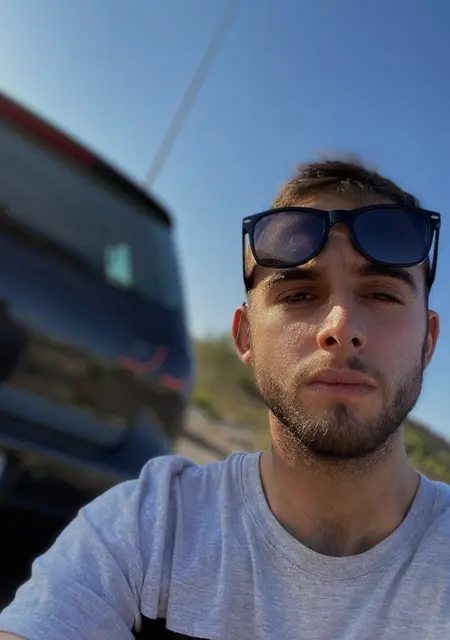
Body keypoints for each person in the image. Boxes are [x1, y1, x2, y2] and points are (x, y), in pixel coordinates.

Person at [0, 158, 448, 640]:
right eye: (298, 295)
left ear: (427, 342)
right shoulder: (147, 533)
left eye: (381, 295)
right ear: (245, 337)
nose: (340, 327)